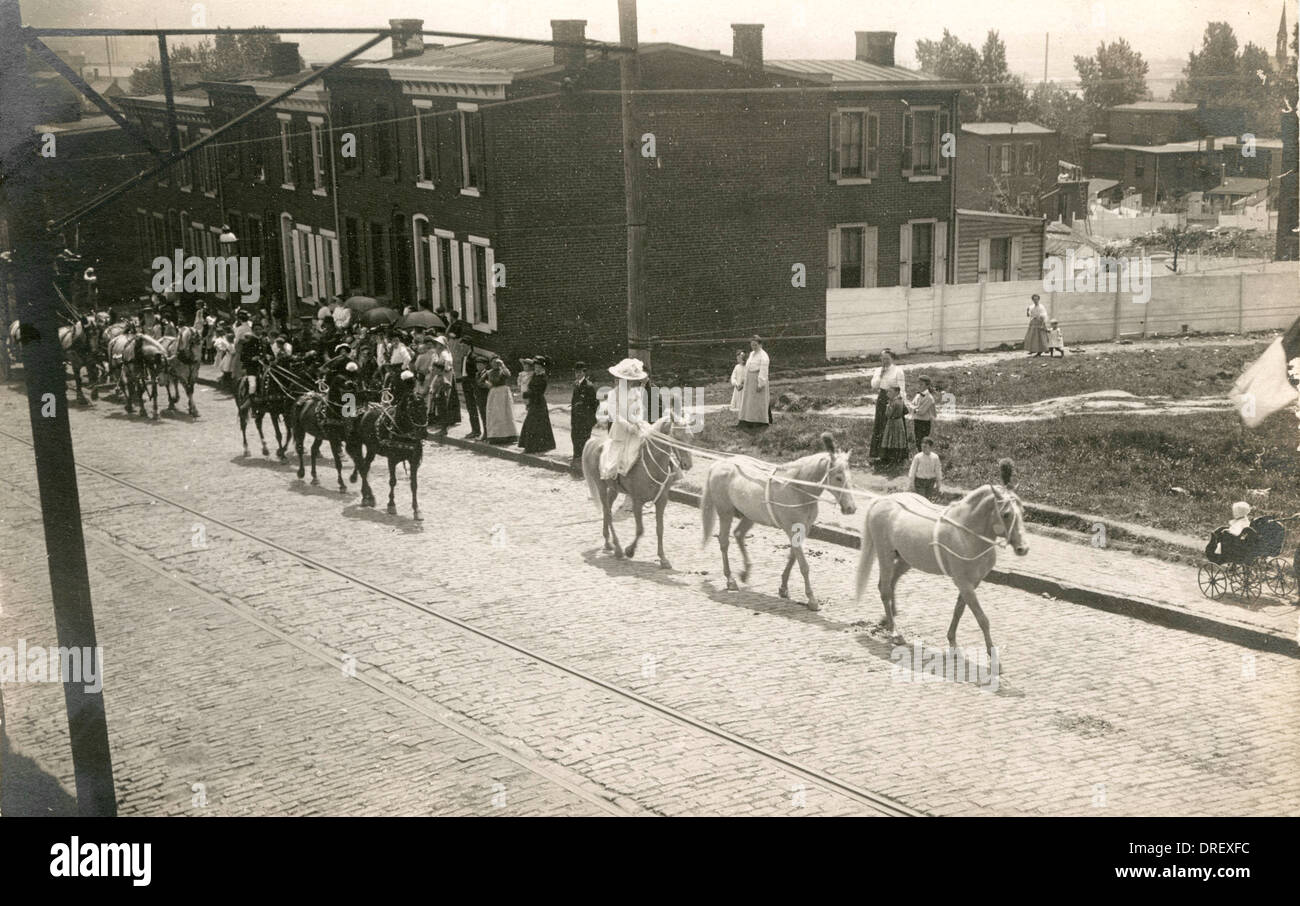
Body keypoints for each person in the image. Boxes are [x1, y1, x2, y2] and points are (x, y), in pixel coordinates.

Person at [598, 358, 656, 480]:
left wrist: (637, 422)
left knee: (649, 442)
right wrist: (629, 426)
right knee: (615, 458)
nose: (629, 383)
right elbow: (616, 414)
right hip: (621, 428)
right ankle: (613, 479)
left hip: (636, 426)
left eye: (631, 381)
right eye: (626, 380)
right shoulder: (614, 394)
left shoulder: (636, 393)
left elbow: (639, 410)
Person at [868, 348, 906, 460]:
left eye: (887, 359)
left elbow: (902, 388)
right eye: (883, 359)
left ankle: (895, 455)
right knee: (880, 423)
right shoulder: (878, 370)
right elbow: (874, 386)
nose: (885, 361)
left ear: (892, 358)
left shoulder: (898, 370)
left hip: (895, 399)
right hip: (882, 398)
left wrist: (900, 402)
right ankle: (879, 454)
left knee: (893, 425)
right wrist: (880, 375)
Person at [518, 355, 557, 454]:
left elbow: (538, 391)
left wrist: (526, 394)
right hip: (534, 402)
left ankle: (534, 446)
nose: (536, 368)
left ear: (542, 367)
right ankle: (532, 445)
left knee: (535, 423)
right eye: (535, 366)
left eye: (538, 366)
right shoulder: (535, 375)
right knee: (533, 423)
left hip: (539, 402)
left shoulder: (543, 377)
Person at [481, 357, 517, 445]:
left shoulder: (502, 371)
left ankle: (509, 436)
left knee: (506, 413)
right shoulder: (488, 372)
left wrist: (503, 365)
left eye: (497, 362)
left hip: (503, 392)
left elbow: (508, 375)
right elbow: (480, 381)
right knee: (495, 414)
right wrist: (487, 384)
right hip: (494, 393)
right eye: (493, 362)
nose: (495, 364)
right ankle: (496, 436)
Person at [736, 335, 770, 427]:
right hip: (749, 381)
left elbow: (763, 371)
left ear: (760, 344)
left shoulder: (763, 356)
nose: (753, 347)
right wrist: (743, 381)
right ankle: (746, 420)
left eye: (755, 345)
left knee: (757, 402)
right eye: (752, 345)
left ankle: (758, 422)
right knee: (748, 401)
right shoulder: (752, 354)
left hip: (757, 380)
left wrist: (760, 384)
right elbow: (747, 367)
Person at [570, 360, 598, 462]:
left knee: (584, 439)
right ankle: (577, 458)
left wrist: (591, 418)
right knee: (575, 437)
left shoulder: (589, 386)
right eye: (576, 372)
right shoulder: (576, 384)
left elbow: (595, 403)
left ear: (584, 372)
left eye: (580, 372)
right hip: (576, 418)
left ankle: (583, 460)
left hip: (585, 418)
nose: (577, 374)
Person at [459, 335, 486, 439]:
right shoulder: (463, 358)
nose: (461, 348)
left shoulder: (474, 357)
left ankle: (485, 431)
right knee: (471, 408)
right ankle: (475, 430)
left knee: (480, 407)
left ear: (469, 346)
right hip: (465, 384)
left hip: (473, 384)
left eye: (463, 346)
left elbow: (477, 372)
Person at [880, 386, 909, 466]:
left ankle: (892, 459)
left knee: (892, 438)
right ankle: (897, 458)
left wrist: (888, 406)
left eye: (890, 392)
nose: (888, 394)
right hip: (898, 421)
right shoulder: (900, 400)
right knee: (897, 439)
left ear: (896, 392)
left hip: (893, 422)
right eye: (888, 392)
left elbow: (888, 414)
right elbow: (906, 411)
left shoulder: (893, 402)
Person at [909, 437, 943, 501]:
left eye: (925, 447)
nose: (923, 449)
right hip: (920, 482)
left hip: (930, 482)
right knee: (921, 500)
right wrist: (912, 484)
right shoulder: (918, 457)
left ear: (930, 447)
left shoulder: (935, 457)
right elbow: (912, 471)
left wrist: (938, 484)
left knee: (928, 500)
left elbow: (938, 471)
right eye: (922, 447)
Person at [910, 375, 936, 448]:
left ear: (927, 386)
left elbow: (921, 411)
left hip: (924, 422)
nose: (919, 385)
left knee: (923, 442)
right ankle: (920, 457)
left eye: (921, 384)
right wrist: (915, 408)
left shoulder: (929, 397)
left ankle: (924, 457)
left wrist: (914, 408)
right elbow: (911, 405)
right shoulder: (918, 394)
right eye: (918, 383)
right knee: (917, 442)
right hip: (917, 420)